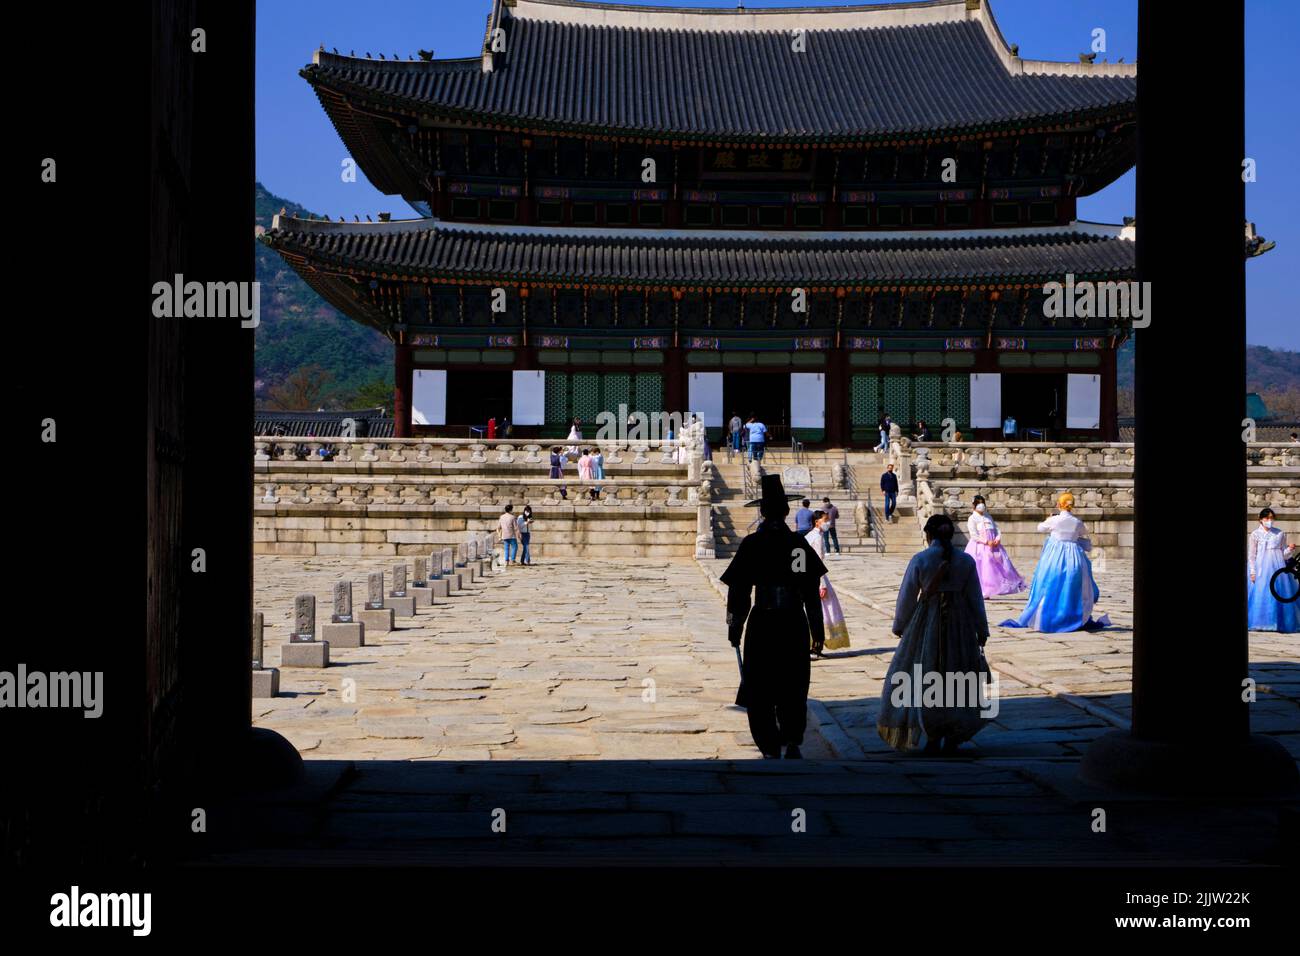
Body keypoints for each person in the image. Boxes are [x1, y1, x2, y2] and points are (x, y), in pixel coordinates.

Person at [721, 474, 827, 759]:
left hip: (763, 622)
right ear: (786, 511)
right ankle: (792, 740)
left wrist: (734, 626)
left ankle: (769, 746)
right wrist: (818, 631)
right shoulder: (797, 544)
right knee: (794, 682)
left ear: (763, 512)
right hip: (793, 621)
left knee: (761, 684)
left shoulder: (753, 544)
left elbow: (739, 591)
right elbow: (809, 590)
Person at [877, 514, 992, 754]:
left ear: (928, 534)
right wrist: (981, 629)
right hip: (959, 624)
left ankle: (931, 733)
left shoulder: (921, 559)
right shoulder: (966, 561)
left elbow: (907, 595)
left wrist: (900, 625)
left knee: (927, 674)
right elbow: (975, 599)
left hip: (926, 621)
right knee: (957, 675)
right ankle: (954, 733)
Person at [1001, 492, 1111, 632]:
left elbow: (1040, 528)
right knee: (1073, 587)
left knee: (1048, 584)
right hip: (1074, 557)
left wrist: (1048, 519)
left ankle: (1047, 616)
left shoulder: (1055, 520)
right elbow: (1083, 533)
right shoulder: (1077, 522)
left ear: (1059, 504)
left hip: (1055, 556)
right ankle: (1072, 615)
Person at [806, 511, 851, 654]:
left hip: (809, 577)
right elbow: (817, 562)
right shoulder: (817, 538)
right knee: (825, 611)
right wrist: (822, 584)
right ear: (817, 521)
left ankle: (814, 642)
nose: (828, 522)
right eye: (825, 520)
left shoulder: (809, 536)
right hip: (817, 577)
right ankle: (819, 642)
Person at [964, 495, 1027, 598]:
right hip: (980, 547)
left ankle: (998, 586)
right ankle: (983, 590)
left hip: (994, 546)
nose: (981, 506)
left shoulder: (988, 516)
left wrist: (997, 538)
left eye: (982, 504)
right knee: (983, 567)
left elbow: (996, 529)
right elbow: (974, 535)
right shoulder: (972, 518)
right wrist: (985, 541)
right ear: (974, 505)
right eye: (978, 504)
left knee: (1001, 565)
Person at [1247, 508, 1298, 632]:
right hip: (1261, 568)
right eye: (1266, 518)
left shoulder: (1279, 533)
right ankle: (1261, 622)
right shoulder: (1255, 534)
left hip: (1277, 567)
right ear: (1261, 519)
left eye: (1271, 518)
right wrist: (1252, 571)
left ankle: (1278, 622)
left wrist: (1290, 549)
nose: (1269, 520)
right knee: (1261, 593)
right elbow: (1252, 555)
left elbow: (1283, 554)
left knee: (1278, 591)